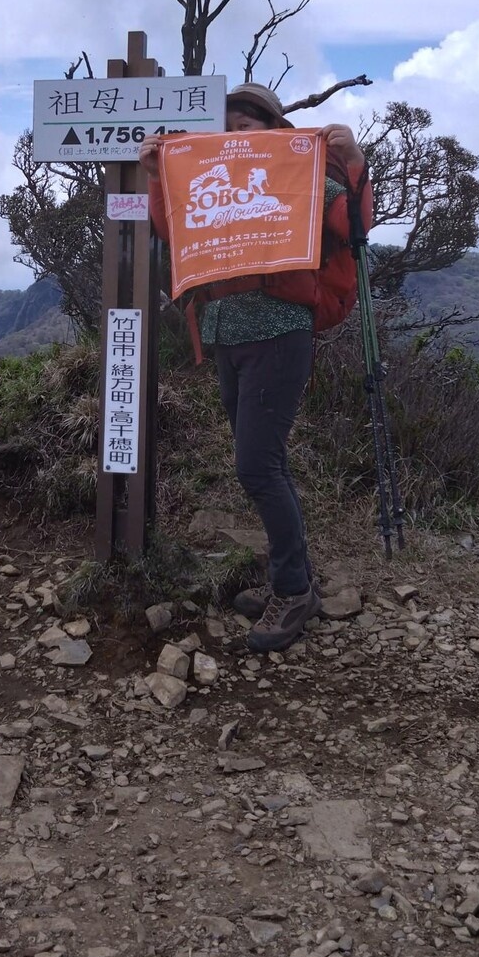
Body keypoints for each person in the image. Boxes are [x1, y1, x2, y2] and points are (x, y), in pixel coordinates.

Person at [138, 82, 371, 653]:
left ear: (270, 128)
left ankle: (294, 591)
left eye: (249, 122)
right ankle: (291, 575)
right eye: (230, 124)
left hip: (278, 334)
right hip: (224, 334)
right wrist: (154, 173)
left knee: (256, 467)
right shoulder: (208, 176)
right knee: (265, 463)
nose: (237, 131)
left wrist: (353, 159)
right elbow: (176, 232)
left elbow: (356, 228)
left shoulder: (306, 175)